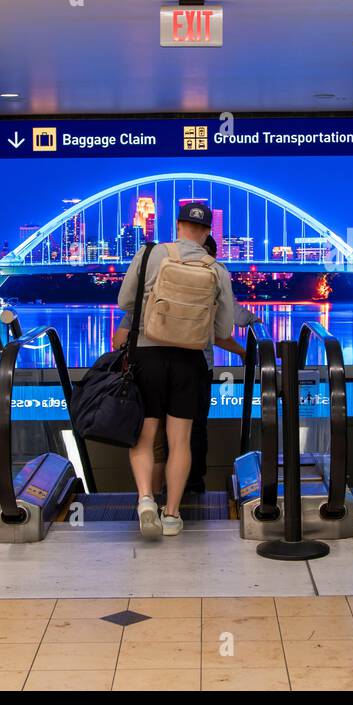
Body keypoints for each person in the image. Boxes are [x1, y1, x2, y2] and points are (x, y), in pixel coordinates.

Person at [116, 202, 238, 539]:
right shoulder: (217, 268)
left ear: (178, 225)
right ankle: (172, 514)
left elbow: (125, 302)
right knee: (180, 440)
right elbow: (224, 328)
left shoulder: (149, 253)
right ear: (208, 231)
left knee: (144, 435)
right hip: (190, 360)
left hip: (147, 355)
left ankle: (144, 499)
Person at [114, 235, 259, 495]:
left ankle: (149, 499)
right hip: (194, 366)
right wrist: (247, 339)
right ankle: (185, 498)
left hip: (148, 364)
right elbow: (224, 326)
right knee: (189, 435)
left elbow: (120, 335)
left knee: (150, 438)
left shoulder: (155, 287)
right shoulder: (212, 274)